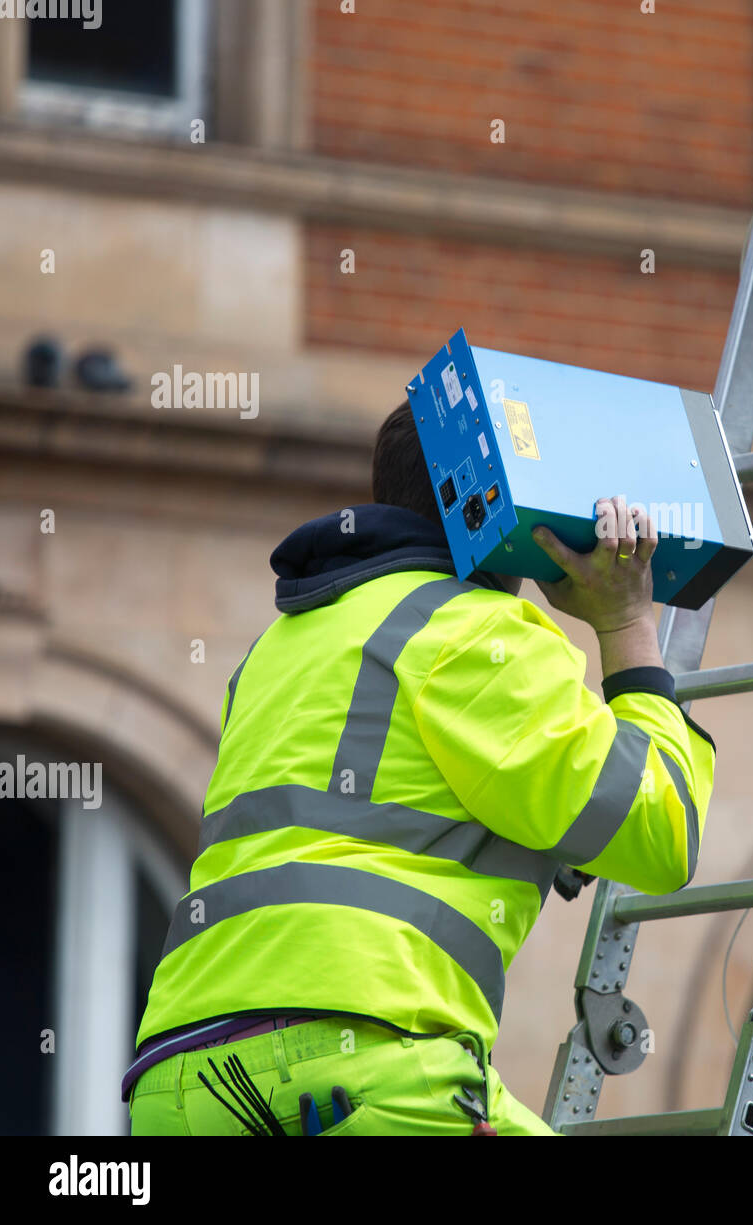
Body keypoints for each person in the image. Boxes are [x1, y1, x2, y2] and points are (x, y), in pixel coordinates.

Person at [125, 399, 715, 1135]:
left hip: (180, 1082)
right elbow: (660, 834)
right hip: (362, 1064)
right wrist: (627, 625)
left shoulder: (281, 645)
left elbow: (388, 806)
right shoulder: (478, 631)